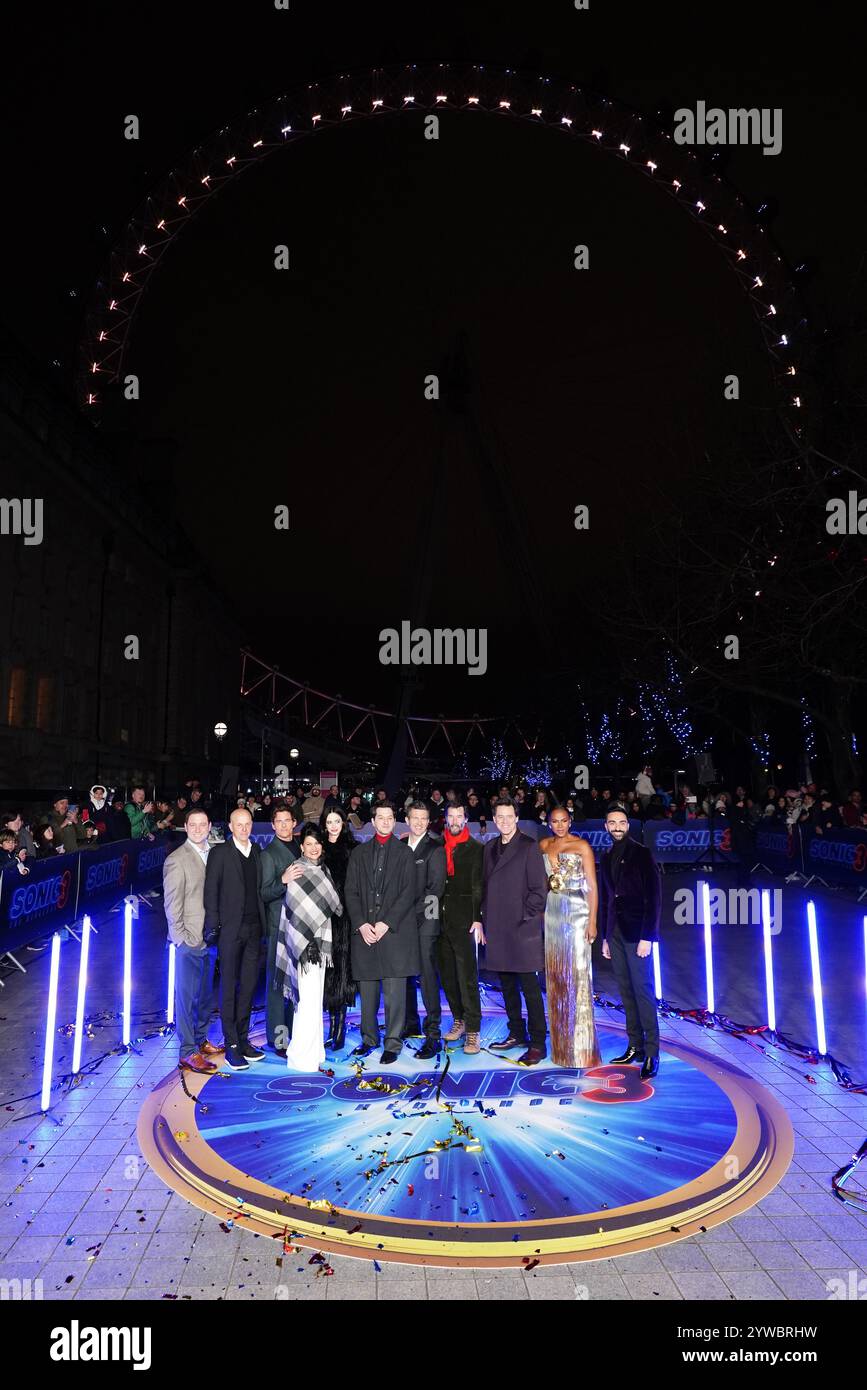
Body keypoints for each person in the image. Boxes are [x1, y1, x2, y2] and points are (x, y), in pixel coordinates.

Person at [344, 800, 418, 1064]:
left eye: (390, 817)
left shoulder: (405, 853)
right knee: (369, 992)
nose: (385, 822)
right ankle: (369, 1039)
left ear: (394, 821)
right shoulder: (359, 854)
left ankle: (393, 1043)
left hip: (394, 934)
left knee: (395, 994)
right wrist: (362, 924)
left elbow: (409, 892)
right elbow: (350, 892)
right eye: (380, 818)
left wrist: (386, 922)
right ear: (373, 822)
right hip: (365, 933)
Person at [481, 796, 549, 1065]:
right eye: (500, 817)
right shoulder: (489, 848)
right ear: (495, 819)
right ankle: (516, 1034)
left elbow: (539, 891)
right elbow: (485, 888)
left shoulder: (530, 847)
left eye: (510, 816)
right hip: (497, 930)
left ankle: (537, 1043)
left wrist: (523, 918)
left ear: (517, 818)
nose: (505, 821)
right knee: (507, 988)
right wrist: (486, 920)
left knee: (531, 990)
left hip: (521, 931)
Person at [598, 805, 661, 1080]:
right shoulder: (607, 855)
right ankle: (634, 1045)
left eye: (621, 822)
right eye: (612, 823)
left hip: (638, 935)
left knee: (643, 992)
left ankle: (652, 1052)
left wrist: (648, 936)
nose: (617, 827)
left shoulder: (642, 853)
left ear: (628, 824)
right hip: (616, 934)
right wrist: (604, 937)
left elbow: (655, 897)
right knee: (626, 991)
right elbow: (606, 900)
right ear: (606, 827)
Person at [203, 807, 267, 1072]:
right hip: (230, 931)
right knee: (228, 986)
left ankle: (243, 1039)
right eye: (238, 824)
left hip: (254, 930)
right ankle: (230, 1045)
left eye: (247, 824)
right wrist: (214, 928)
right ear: (230, 827)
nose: (243, 828)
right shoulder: (219, 854)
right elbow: (211, 893)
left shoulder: (258, 853)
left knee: (249, 986)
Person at [274, 825, 342, 1072]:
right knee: (305, 1001)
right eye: (309, 844)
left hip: (321, 944)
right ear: (301, 846)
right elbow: (294, 910)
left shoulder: (323, 870)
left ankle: (314, 1052)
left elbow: (334, 904)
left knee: (315, 1000)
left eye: (317, 844)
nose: (313, 848)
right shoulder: (297, 870)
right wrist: (306, 942)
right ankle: (300, 1057)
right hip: (305, 946)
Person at [163, 808, 224, 1074]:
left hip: (210, 938)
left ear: (209, 826)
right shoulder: (177, 859)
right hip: (189, 940)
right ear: (185, 827)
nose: (198, 829)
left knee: (204, 997)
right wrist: (180, 939)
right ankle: (187, 1051)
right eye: (193, 825)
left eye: (203, 824)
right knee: (187, 998)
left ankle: (200, 1040)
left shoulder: (214, 854)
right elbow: (171, 903)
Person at [539, 807, 601, 1068]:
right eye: (555, 821)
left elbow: (592, 885)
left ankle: (583, 1049)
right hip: (552, 912)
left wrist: (593, 922)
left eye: (564, 821)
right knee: (556, 977)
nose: (560, 825)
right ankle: (561, 1049)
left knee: (577, 975)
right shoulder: (543, 845)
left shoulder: (581, 846)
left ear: (570, 821)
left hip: (577, 913)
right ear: (549, 823)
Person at [400, 801, 447, 1058]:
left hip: (425, 923)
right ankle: (410, 1023)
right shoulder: (400, 847)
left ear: (428, 822)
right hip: (402, 923)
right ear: (407, 819)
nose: (418, 822)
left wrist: (416, 919)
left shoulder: (434, 849)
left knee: (427, 977)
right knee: (405, 974)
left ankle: (433, 1035)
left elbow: (435, 892)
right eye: (414, 817)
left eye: (423, 818)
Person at [439, 803, 484, 1054]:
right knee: (447, 976)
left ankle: (473, 1030)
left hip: (465, 921)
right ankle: (459, 1019)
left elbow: (478, 886)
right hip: (440, 921)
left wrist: (477, 917)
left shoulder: (476, 848)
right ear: (445, 819)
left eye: (459, 816)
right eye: (451, 816)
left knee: (467, 977)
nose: (455, 820)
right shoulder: (438, 845)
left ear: (466, 820)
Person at [260, 805, 303, 1055]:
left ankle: (295, 1032)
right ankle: (278, 1040)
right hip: (280, 926)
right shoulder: (269, 854)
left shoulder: (301, 849)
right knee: (278, 986)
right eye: (280, 821)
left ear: (294, 823)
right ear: (273, 825)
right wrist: (282, 881)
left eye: (288, 820)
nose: (285, 825)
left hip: (301, 927)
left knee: (295, 985)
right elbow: (264, 893)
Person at [320, 806, 358, 1050]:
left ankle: (341, 1026)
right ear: (325, 824)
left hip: (345, 917)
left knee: (343, 970)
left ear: (343, 823)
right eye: (330, 821)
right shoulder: (318, 849)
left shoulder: (353, 849)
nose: (334, 825)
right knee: (327, 972)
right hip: (322, 917)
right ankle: (331, 1026)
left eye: (337, 821)